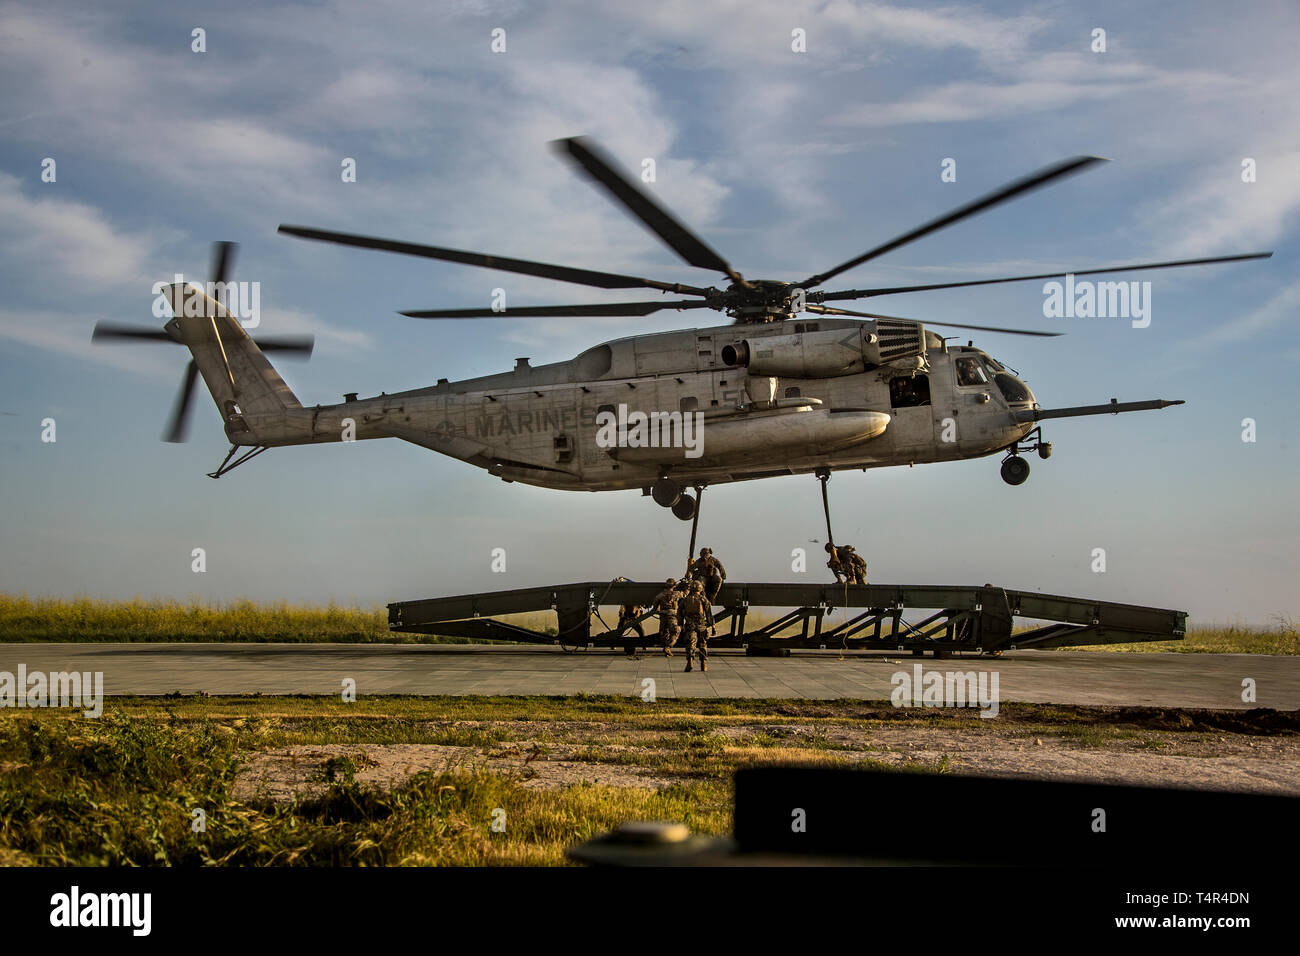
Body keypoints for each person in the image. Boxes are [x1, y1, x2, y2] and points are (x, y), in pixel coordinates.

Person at [677, 580, 715, 672]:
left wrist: (680, 624)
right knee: (702, 644)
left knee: (690, 644)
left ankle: (690, 661)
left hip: (690, 625)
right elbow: (709, 614)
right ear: (700, 589)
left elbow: (679, 614)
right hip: (701, 625)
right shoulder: (703, 599)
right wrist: (712, 626)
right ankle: (703, 664)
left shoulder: (685, 600)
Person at [651, 577, 682, 657]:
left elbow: (654, 606)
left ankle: (666, 648)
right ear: (674, 585)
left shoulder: (660, 595)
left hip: (663, 616)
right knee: (676, 631)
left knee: (664, 633)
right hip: (672, 616)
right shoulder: (677, 594)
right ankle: (668, 647)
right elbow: (685, 593)